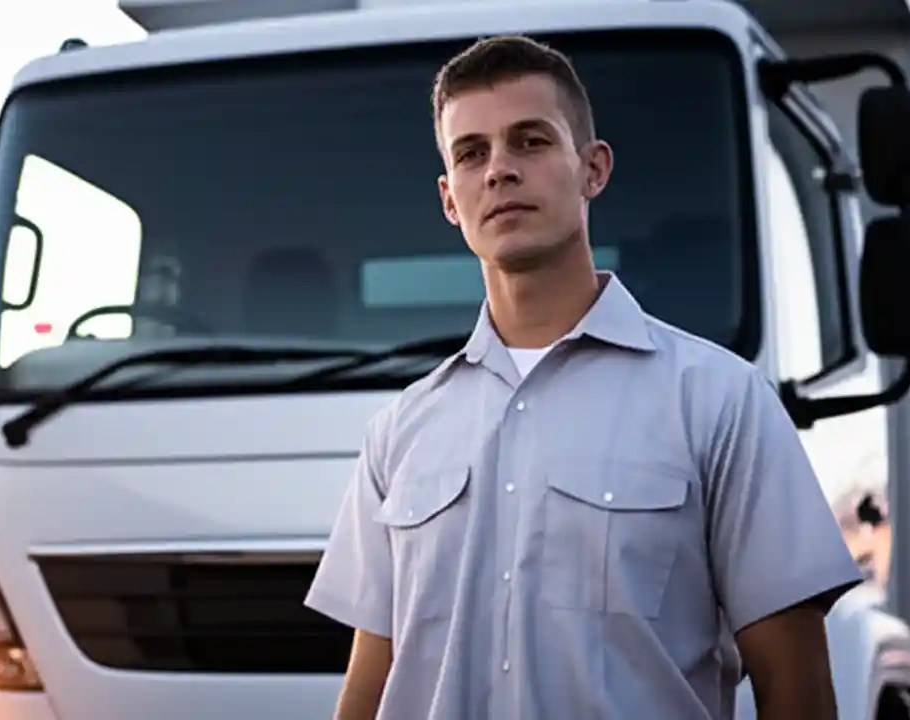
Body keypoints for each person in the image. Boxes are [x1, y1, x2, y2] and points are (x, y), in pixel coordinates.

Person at [303, 34, 863, 720]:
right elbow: (369, 687)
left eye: (530, 141)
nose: (499, 170)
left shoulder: (720, 401)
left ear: (592, 169)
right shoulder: (400, 432)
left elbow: (796, 683)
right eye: (472, 153)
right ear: (451, 200)